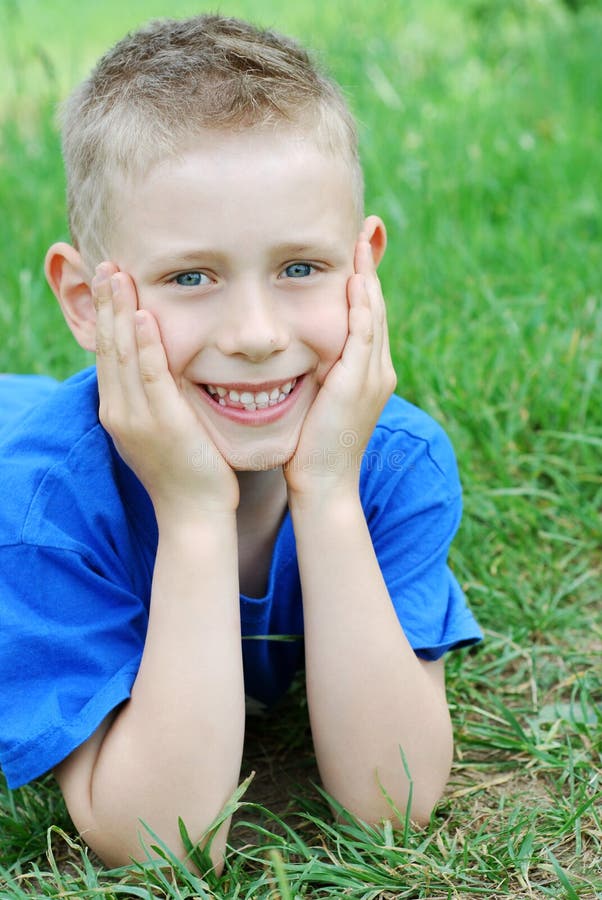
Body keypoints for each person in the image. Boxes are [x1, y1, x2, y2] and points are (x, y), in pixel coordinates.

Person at [0, 14, 482, 871]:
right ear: (83, 299)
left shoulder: (396, 465)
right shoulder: (41, 507)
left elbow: (391, 802)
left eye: (301, 268)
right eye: (191, 277)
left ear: (364, 266)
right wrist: (191, 516)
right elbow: (160, 842)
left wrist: (328, 493)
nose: (257, 334)